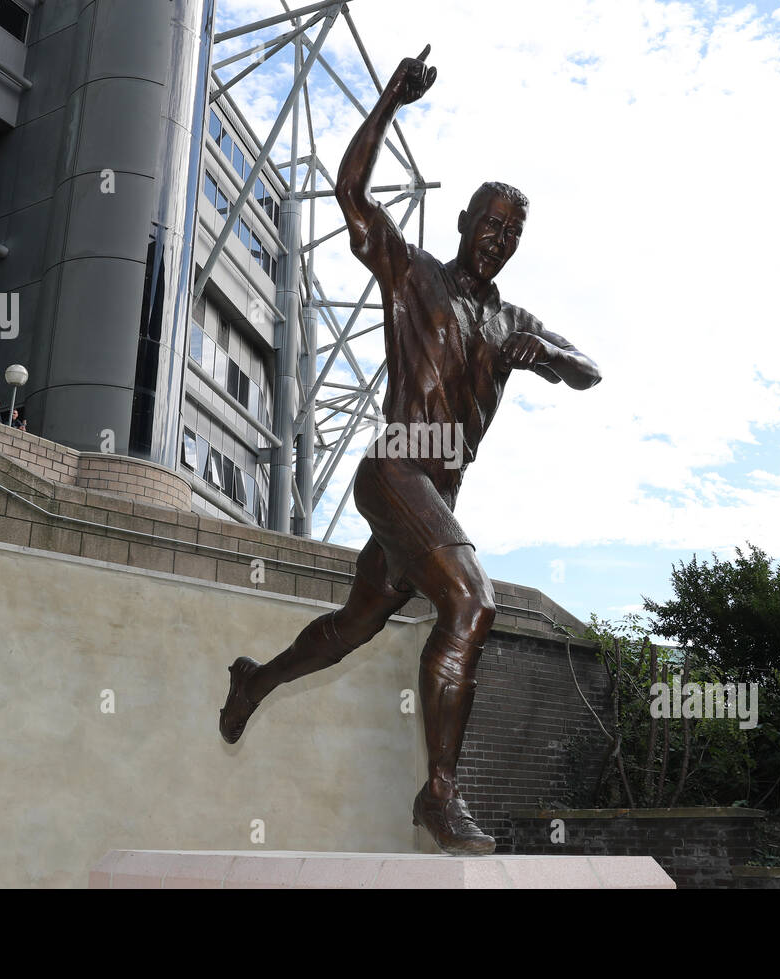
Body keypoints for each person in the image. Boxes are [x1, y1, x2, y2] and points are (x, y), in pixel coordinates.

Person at [218, 48, 602, 855]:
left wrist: (550, 357)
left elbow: (591, 370)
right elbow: (350, 190)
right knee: (472, 602)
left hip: (428, 506)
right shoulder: (412, 273)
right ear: (463, 223)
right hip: (394, 468)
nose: (498, 239)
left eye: (512, 232)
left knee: (351, 628)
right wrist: (392, 97)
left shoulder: (511, 322)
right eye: (489, 223)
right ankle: (440, 792)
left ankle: (254, 680)